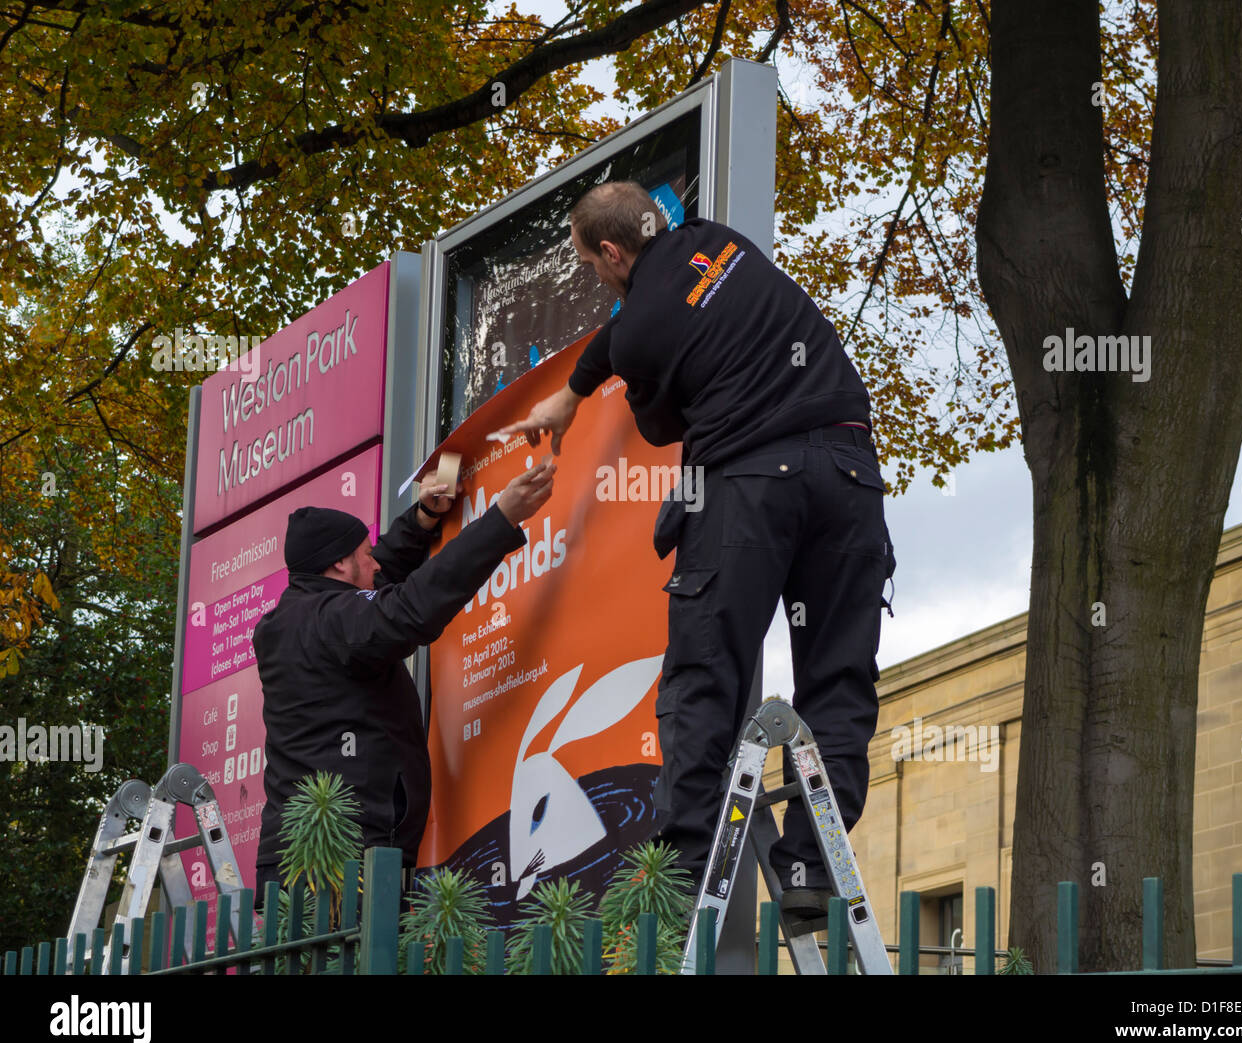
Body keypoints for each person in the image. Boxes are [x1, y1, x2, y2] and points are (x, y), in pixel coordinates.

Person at [498, 181, 894, 919]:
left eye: (592, 265)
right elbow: (620, 333)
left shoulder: (646, 330)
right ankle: (812, 865)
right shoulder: (721, 243)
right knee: (838, 677)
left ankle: (683, 869)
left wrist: (587, 391)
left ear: (612, 252)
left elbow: (656, 419)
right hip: (849, 475)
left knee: (703, 673)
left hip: (746, 488)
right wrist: (572, 392)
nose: (596, 279)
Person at [252, 460, 556, 904]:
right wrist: (501, 519)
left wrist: (423, 519)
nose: (374, 559)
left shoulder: (295, 619)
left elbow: (377, 581)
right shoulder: (332, 622)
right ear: (338, 564)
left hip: (302, 861)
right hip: (342, 866)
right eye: (364, 552)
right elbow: (408, 606)